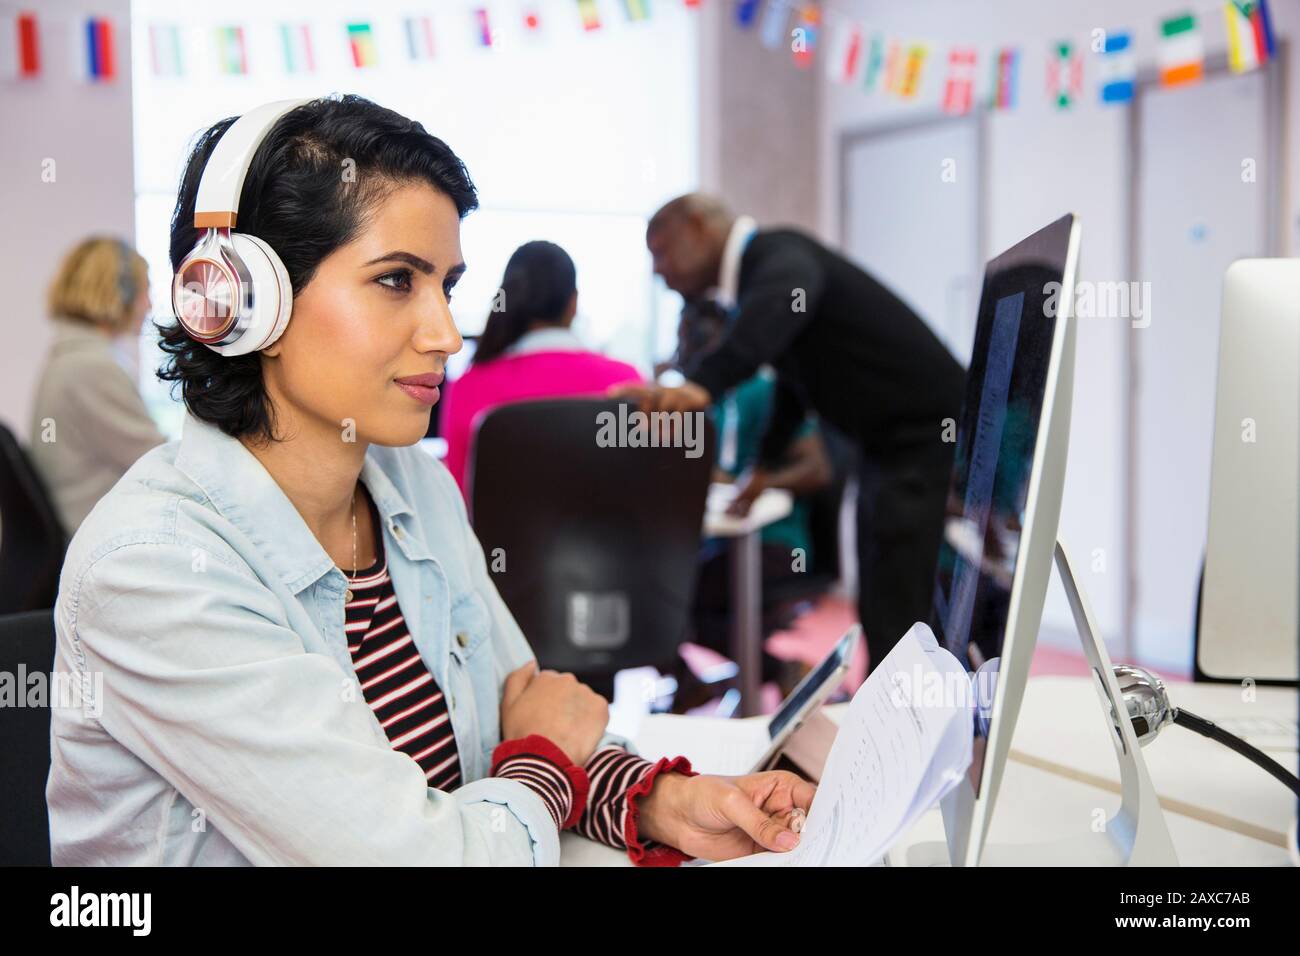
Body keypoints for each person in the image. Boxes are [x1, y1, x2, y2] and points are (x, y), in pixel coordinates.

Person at [46, 95, 813, 867]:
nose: (446, 332)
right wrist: (545, 755)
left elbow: (520, 722)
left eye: (446, 283)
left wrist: (658, 802)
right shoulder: (154, 571)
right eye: (395, 281)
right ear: (240, 300)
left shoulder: (410, 482)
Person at [616, 193, 965, 674]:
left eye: (661, 250)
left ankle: (912, 725)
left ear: (699, 226)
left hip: (922, 433)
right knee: (886, 592)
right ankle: (900, 717)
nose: (658, 270)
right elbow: (792, 385)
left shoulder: (779, 256)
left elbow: (782, 308)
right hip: (892, 441)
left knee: (896, 596)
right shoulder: (767, 274)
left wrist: (703, 384)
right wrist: (764, 466)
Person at [673, 298, 832, 703]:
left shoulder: (764, 391)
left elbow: (817, 468)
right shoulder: (706, 405)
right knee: (671, 594)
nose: (687, 350)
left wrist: (759, 483)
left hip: (775, 542)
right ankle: (771, 671)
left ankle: (768, 672)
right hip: (721, 540)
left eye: (693, 339)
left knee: (675, 598)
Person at [440, 240, 641, 496]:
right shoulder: (626, 383)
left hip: (490, 537)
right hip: (612, 536)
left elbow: (459, 499)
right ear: (573, 302)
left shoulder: (469, 386)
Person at [29, 236, 166, 534]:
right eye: (146, 291)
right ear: (120, 293)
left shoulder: (69, 355)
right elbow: (158, 461)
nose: (150, 304)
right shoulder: (92, 367)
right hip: (94, 535)